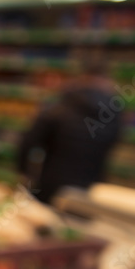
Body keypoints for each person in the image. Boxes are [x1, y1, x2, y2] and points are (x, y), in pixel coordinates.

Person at [16, 58, 121, 204]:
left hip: (52, 185)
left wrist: (24, 172)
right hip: (90, 188)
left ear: (82, 78)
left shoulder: (61, 105)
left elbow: (29, 141)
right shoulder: (115, 113)